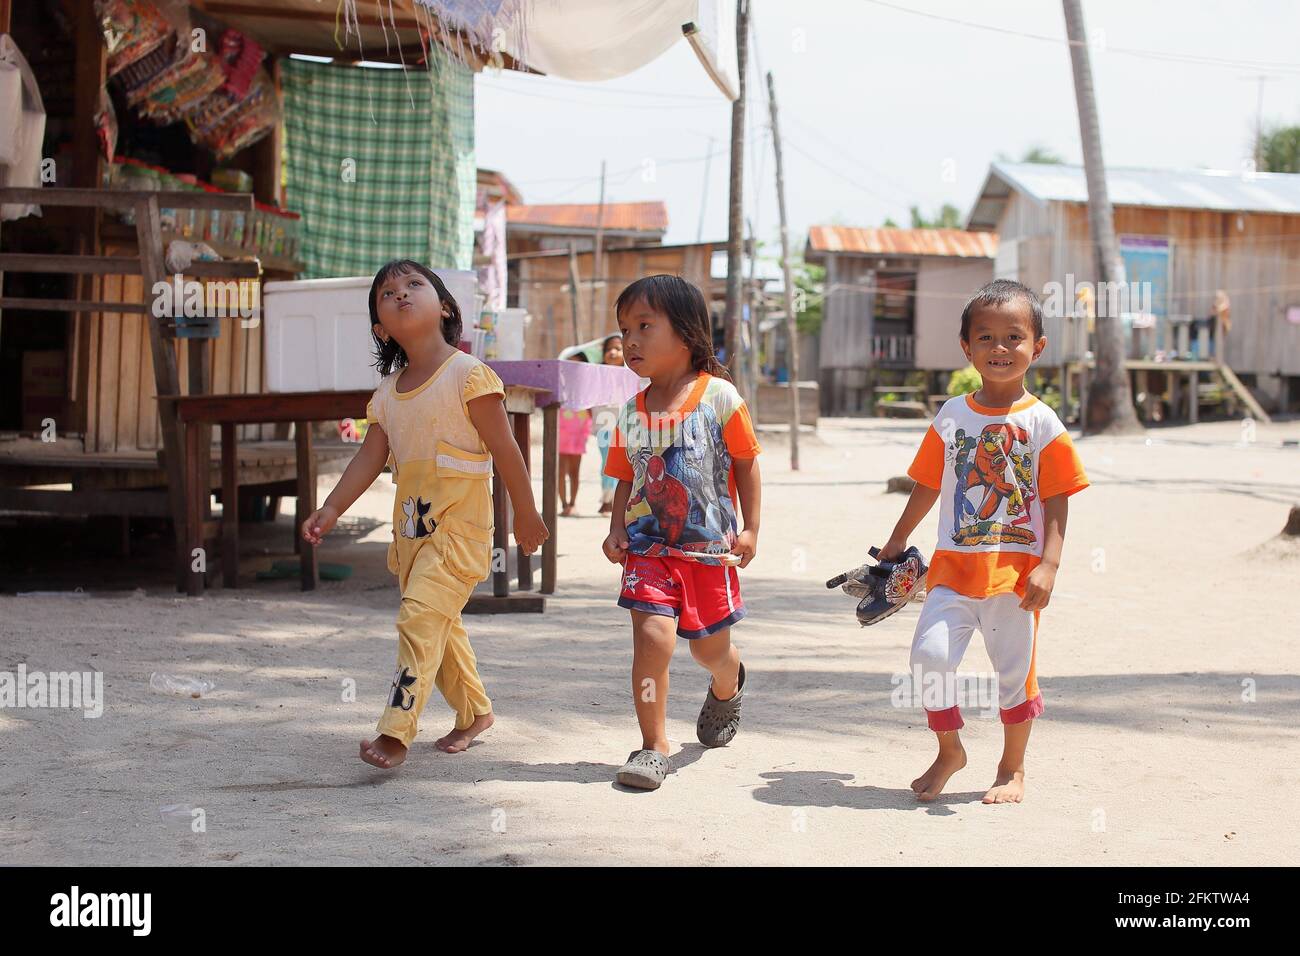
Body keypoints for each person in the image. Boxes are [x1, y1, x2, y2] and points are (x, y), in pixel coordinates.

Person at [301, 259, 548, 769]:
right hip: (411, 533)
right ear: (379, 326)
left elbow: (506, 449)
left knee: (418, 619)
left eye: (415, 285)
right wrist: (329, 508)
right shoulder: (387, 396)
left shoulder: (469, 376)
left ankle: (395, 730)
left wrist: (526, 513)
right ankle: (475, 712)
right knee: (440, 624)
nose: (402, 294)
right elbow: (368, 459)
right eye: (388, 293)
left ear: (447, 308)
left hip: (462, 531)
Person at [881, 278, 1088, 803]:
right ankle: (950, 749)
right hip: (952, 570)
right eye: (986, 337)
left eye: (1013, 337)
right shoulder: (952, 415)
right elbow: (928, 483)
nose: (1000, 348)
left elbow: (1060, 495)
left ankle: (1012, 768)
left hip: (1016, 577)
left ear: (1036, 347)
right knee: (928, 660)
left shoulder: (1043, 422)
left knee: (1014, 676)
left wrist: (1051, 564)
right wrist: (896, 539)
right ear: (966, 347)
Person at [601, 275, 762, 790]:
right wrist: (614, 528)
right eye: (625, 329)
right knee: (651, 640)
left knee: (708, 650)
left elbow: (745, 464)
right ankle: (653, 747)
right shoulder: (631, 412)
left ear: (688, 332)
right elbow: (625, 474)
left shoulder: (720, 398)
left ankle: (727, 682)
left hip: (708, 553)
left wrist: (752, 528)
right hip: (648, 550)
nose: (631, 341)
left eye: (644, 326)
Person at [558, 352, 593, 517]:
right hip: (562, 430)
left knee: (574, 471)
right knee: (560, 470)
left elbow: (591, 409)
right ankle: (563, 503)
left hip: (579, 431)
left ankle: (572, 503)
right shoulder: (560, 384)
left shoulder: (588, 386)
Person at [595, 333, 625, 516]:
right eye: (609, 349)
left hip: (624, 426)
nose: (612, 352)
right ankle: (607, 499)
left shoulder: (630, 375)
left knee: (621, 463)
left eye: (618, 348)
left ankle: (614, 501)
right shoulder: (598, 375)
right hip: (604, 426)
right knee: (607, 463)